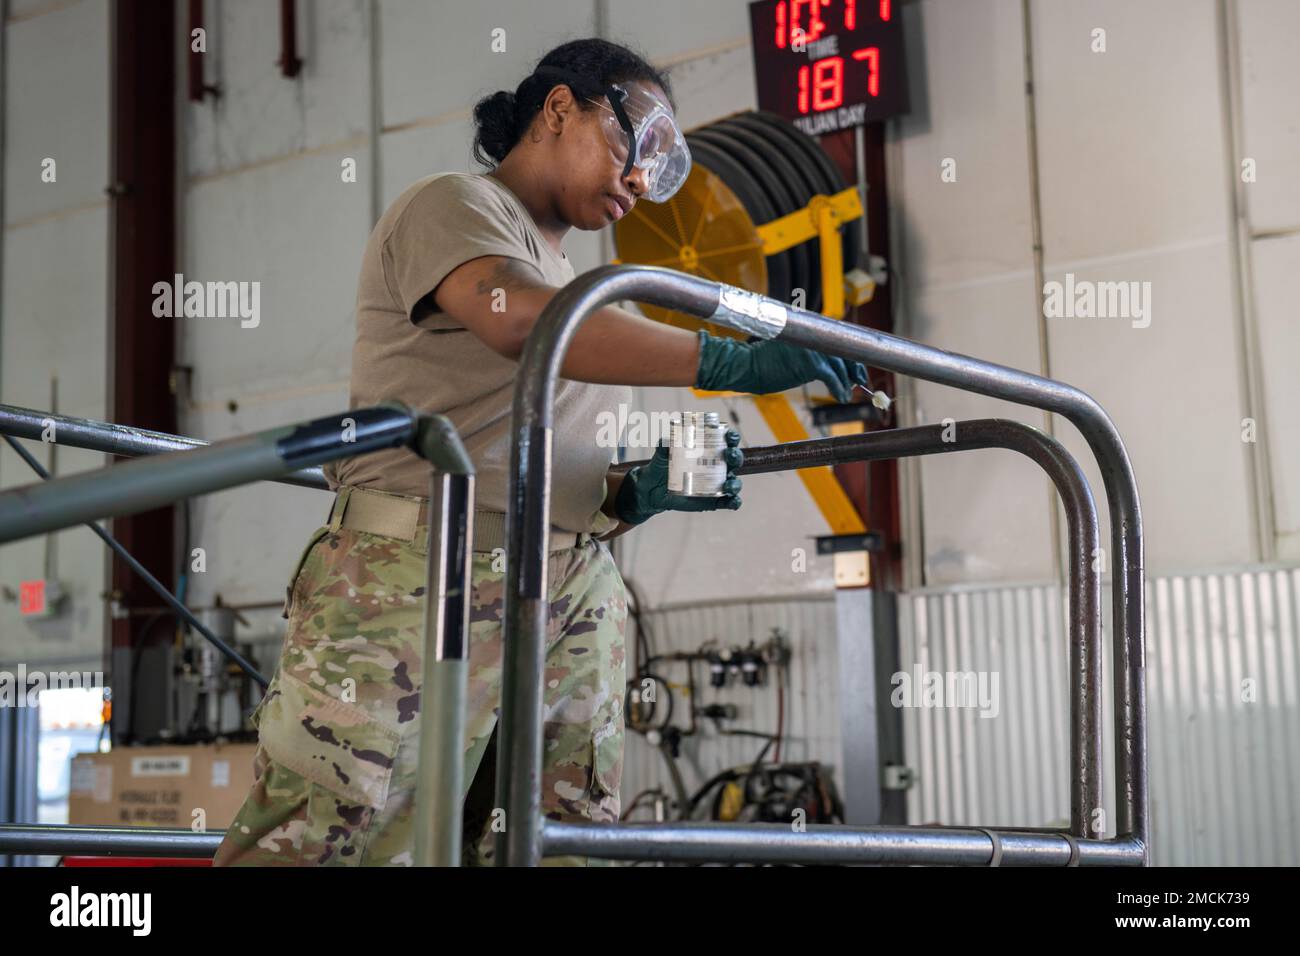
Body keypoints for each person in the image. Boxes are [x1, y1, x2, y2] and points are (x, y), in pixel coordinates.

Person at [213, 36, 866, 867]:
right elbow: (517, 321)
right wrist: (726, 358)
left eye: (657, 170)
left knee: (553, 838)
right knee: (340, 838)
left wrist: (632, 496)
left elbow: (557, 454)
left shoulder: (580, 285)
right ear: (560, 109)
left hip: (565, 586)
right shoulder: (454, 208)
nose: (638, 181)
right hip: (418, 576)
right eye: (634, 146)